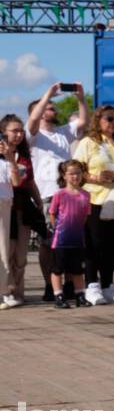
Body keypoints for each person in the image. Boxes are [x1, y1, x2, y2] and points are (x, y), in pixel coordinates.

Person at [28, 82, 89, 301]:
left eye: (53, 106)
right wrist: (47, 95)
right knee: (48, 242)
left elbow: (83, 122)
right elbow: (33, 120)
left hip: (69, 195)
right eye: (49, 107)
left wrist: (81, 97)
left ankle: (70, 285)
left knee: (70, 241)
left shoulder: (63, 132)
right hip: (47, 194)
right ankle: (49, 285)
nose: (53, 109)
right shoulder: (33, 134)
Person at [73, 104, 114, 305]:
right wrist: (96, 177)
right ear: (98, 120)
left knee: (110, 245)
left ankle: (108, 285)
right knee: (94, 244)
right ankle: (92, 285)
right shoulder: (88, 142)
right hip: (94, 198)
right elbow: (75, 171)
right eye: (109, 118)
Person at [1, 114, 39, 307]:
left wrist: (39, 203)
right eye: (14, 131)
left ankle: (18, 290)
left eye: (20, 131)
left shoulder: (24, 155)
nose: (18, 134)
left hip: (23, 207)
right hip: (6, 205)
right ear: (3, 132)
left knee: (21, 254)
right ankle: (6, 291)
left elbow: (30, 182)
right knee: (5, 251)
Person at [47, 160, 92, 309]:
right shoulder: (60, 194)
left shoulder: (86, 195)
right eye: (71, 173)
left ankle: (80, 295)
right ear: (64, 176)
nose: (75, 176)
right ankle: (58, 295)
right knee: (58, 268)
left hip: (77, 239)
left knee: (78, 269)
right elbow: (52, 213)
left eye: (78, 173)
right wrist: (58, 229)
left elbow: (85, 216)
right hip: (61, 239)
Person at [0, 123, 20, 310]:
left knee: (3, 249)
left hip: (3, 205)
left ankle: (3, 292)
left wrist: (9, 157)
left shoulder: (6, 163)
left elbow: (16, 181)